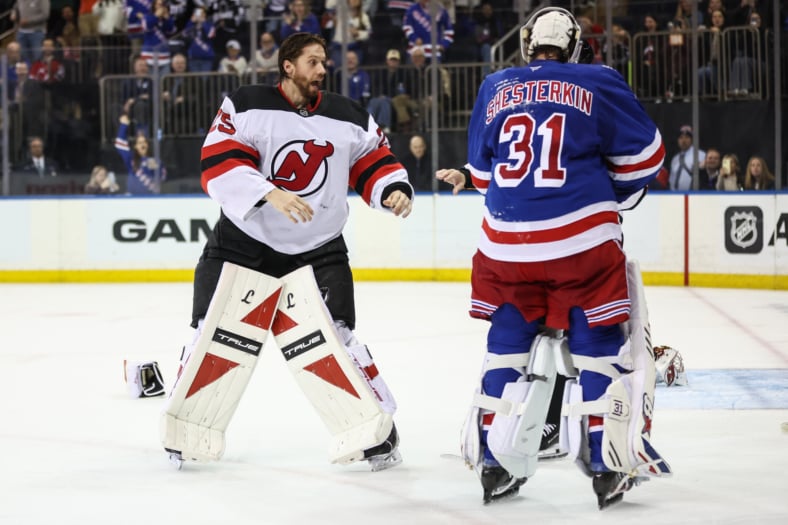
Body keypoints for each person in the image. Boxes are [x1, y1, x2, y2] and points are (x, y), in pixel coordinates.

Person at [436, 7, 670, 507]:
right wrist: (612, 191)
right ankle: (606, 464)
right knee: (597, 345)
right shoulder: (598, 80)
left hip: (504, 246)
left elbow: (481, 175)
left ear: (528, 46)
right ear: (574, 46)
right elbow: (648, 157)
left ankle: (494, 463)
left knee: (506, 344)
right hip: (579, 245)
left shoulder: (495, 84)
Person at [165, 32, 413, 469]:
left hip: (318, 249)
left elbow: (374, 161)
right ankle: (184, 428)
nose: (323, 70)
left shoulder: (349, 115)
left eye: (324, 62)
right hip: (244, 242)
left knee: (340, 339)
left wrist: (392, 188)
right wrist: (268, 193)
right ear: (288, 66)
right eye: (314, 62)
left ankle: (378, 432)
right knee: (208, 333)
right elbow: (216, 160)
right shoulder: (247, 103)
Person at [115, 114, 164, 194]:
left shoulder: (153, 160)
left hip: (150, 199)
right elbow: (120, 145)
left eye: (144, 142)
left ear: (148, 145)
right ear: (135, 146)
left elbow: (159, 177)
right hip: (132, 199)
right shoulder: (131, 159)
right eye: (140, 143)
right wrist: (124, 125)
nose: (142, 144)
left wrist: (153, 165)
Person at [11, 0, 50, 65]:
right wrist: (13, 14)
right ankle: (26, 74)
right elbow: (15, 8)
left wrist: (29, 21)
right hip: (21, 33)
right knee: (22, 58)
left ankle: (36, 74)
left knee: (37, 57)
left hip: (37, 32)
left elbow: (45, 15)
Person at [669, 125, 706, 191]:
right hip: (675, 196)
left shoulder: (700, 155)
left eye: (687, 137)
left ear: (691, 140)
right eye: (681, 138)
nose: (683, 140)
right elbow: (672, 179)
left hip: (694, 195)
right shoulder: (675, 159)